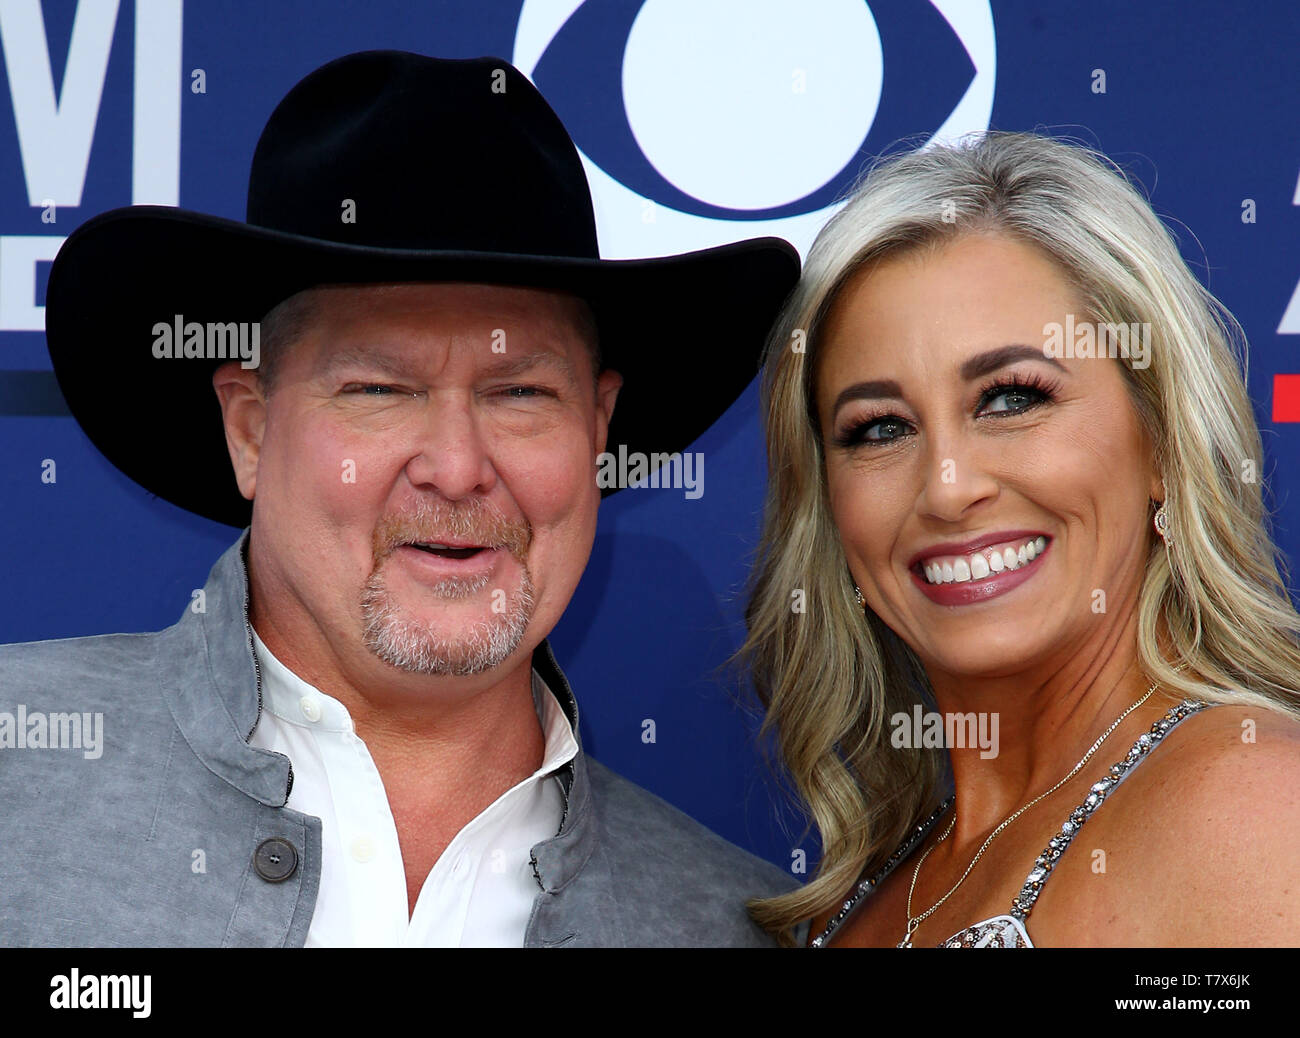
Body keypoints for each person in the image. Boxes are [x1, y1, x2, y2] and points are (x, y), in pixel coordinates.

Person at [0, 51, 802, 947]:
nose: (457, 468)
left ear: (598, 429)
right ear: (251, 432)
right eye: (379, 391)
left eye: (520, 394)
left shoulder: (731, 927)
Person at [739, 131, 1300, 947]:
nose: (948, 485)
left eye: (1010, 399)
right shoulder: (856, 900)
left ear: (1161, 439)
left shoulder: (1252, 808)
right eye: (879, 428)